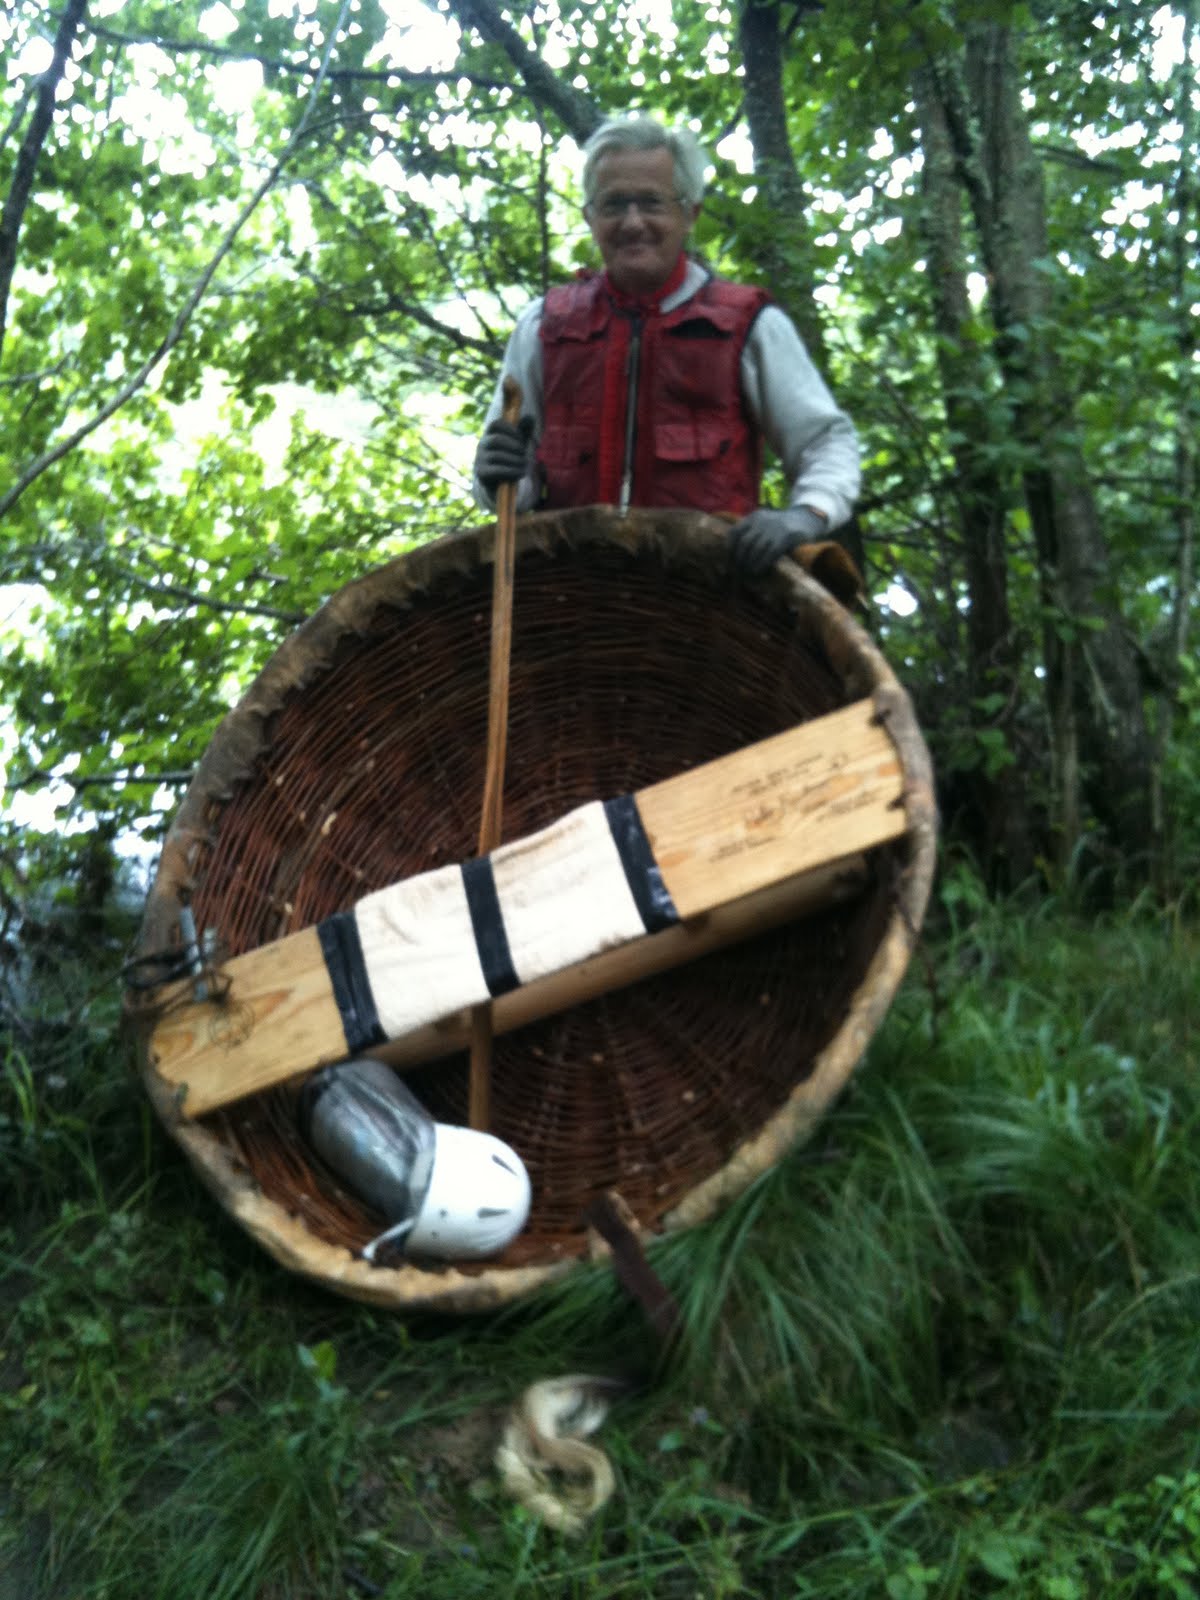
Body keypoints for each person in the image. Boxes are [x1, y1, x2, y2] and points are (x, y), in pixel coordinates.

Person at [473, 115, 861, 578]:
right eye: (614, 204)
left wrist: (805, 516)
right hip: (573, 603)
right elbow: (509, 488)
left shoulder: (748, 326)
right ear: (590, 217)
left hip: (709, 602)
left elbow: (826, 441)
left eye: (652, 203)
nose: (633, 223)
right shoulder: (544, 326)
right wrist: (498, 477)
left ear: (689, 213)